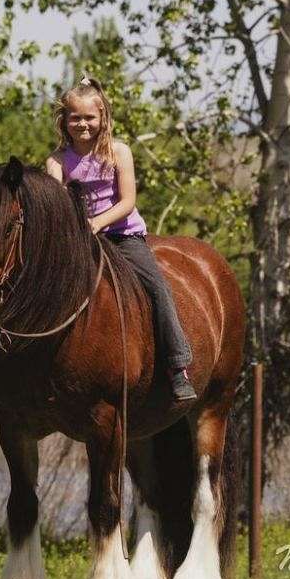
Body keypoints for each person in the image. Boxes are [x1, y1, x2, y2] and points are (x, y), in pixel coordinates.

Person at [45, 77, 198, 402]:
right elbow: (57, 201)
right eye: (76, 118)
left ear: (102, 118)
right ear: (65, 120)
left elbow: (127, 201)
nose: (83, 124)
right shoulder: (57, 161)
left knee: (157, 288)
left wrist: (95, 223)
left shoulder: (118, 152)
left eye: (89, 118)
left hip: (121, 236)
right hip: (79, 241)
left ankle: (177, 365)